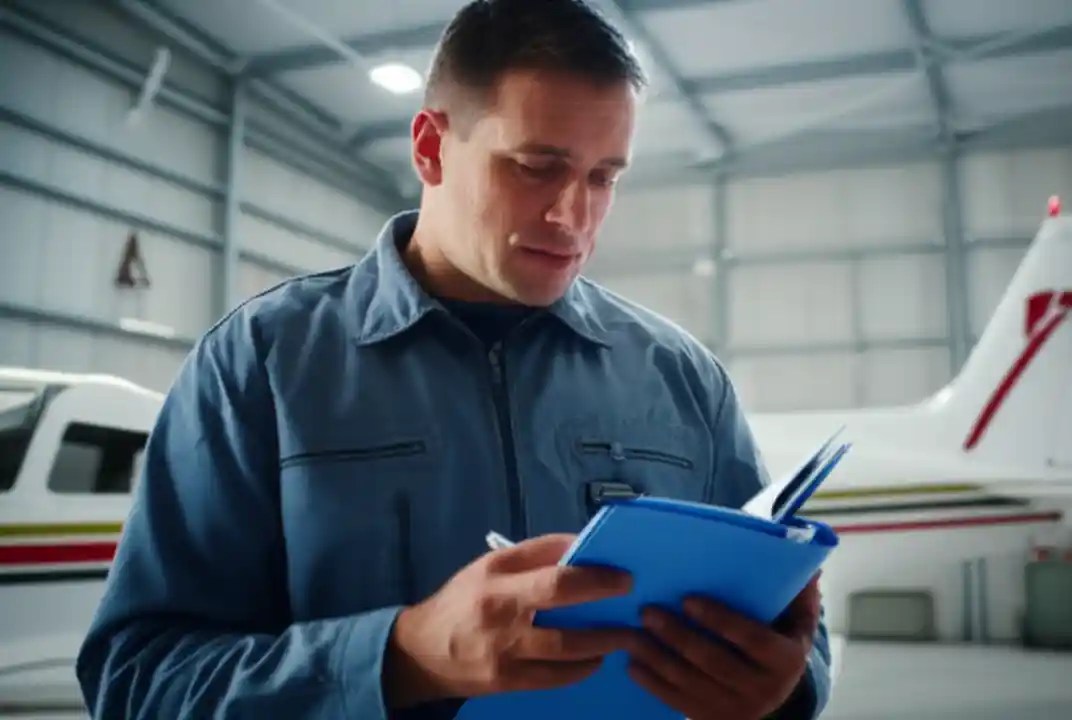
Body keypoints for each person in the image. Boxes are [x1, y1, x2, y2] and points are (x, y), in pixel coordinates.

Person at [75, 0, 832, 718]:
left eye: (604, 177)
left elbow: (791, 634)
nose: (574, 216)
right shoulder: (261, 366)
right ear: (432, 147)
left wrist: (786, 689)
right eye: (536, 167)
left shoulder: (683, 378)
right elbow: (137, 678)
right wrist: (400, 657)